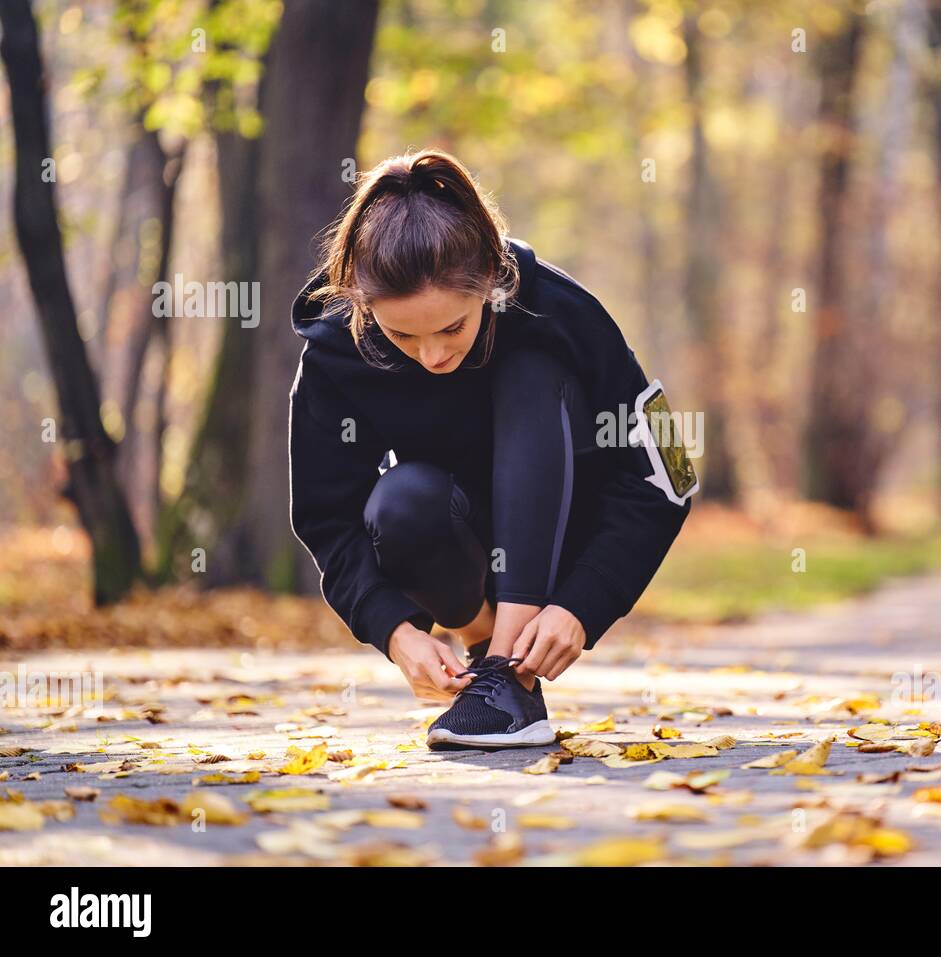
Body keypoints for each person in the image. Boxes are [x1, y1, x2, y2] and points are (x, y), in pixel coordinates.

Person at [288, 149, 696, 749]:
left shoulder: (561, 311)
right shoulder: (334, 351)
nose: (432, 356)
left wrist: (582, 605)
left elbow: (666, 478)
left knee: (531, 374)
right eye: (402, 335)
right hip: (456, 536)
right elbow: (326, 518)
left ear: (490, 280)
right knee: (402, 500)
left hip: (569, 533)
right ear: (361, 304)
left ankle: (507, 679)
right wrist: (397, 631)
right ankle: (488, 650)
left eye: (452, 327)